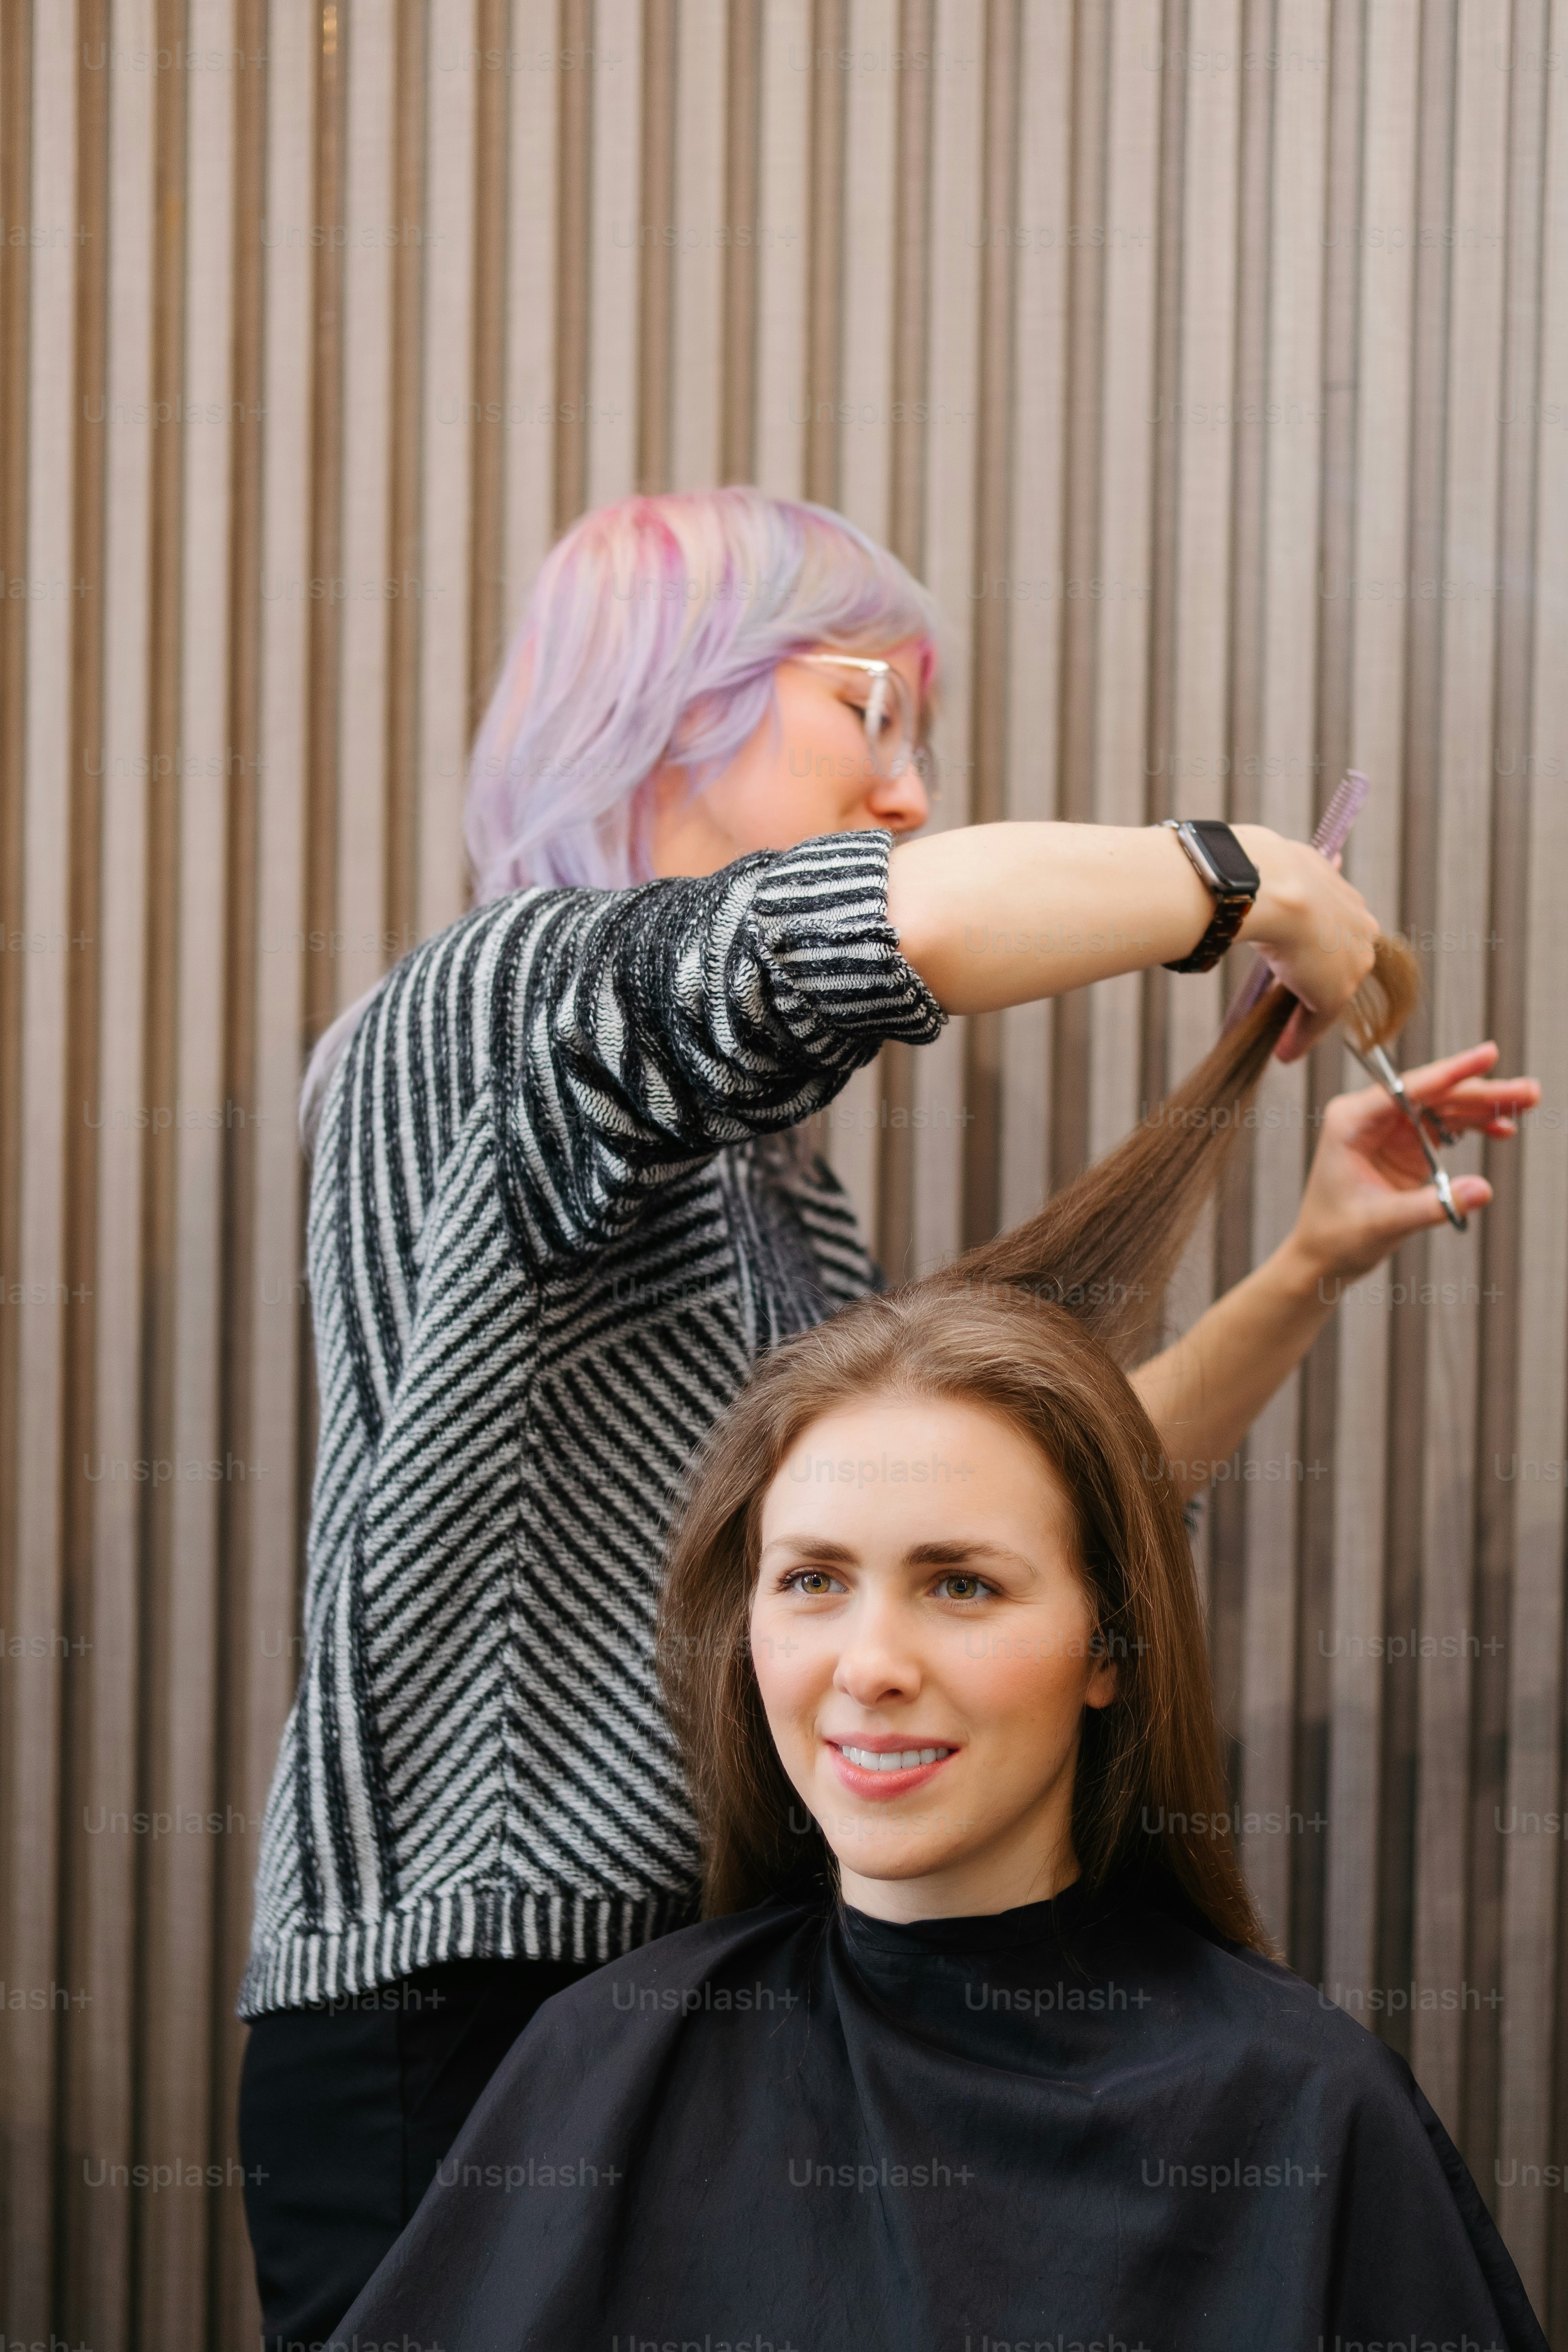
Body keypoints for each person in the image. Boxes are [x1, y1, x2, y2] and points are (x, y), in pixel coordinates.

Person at [237, 486, 1535, 2345]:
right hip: (476, 2013)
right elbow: (819, 942)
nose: (907, 789)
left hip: (706, 1994)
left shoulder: (759, 1173)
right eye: (873, 712)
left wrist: (1305, 1265)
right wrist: (1233, 870)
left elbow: (1001, 1532)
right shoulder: (491, 1006)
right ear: (674, 696)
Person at [332, 1265, 1550, 2350]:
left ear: (1105, 1643)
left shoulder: (1303, 2112)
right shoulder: (601, 2061)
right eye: (812, 1579)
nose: (868, 1664)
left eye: (959, 1583)